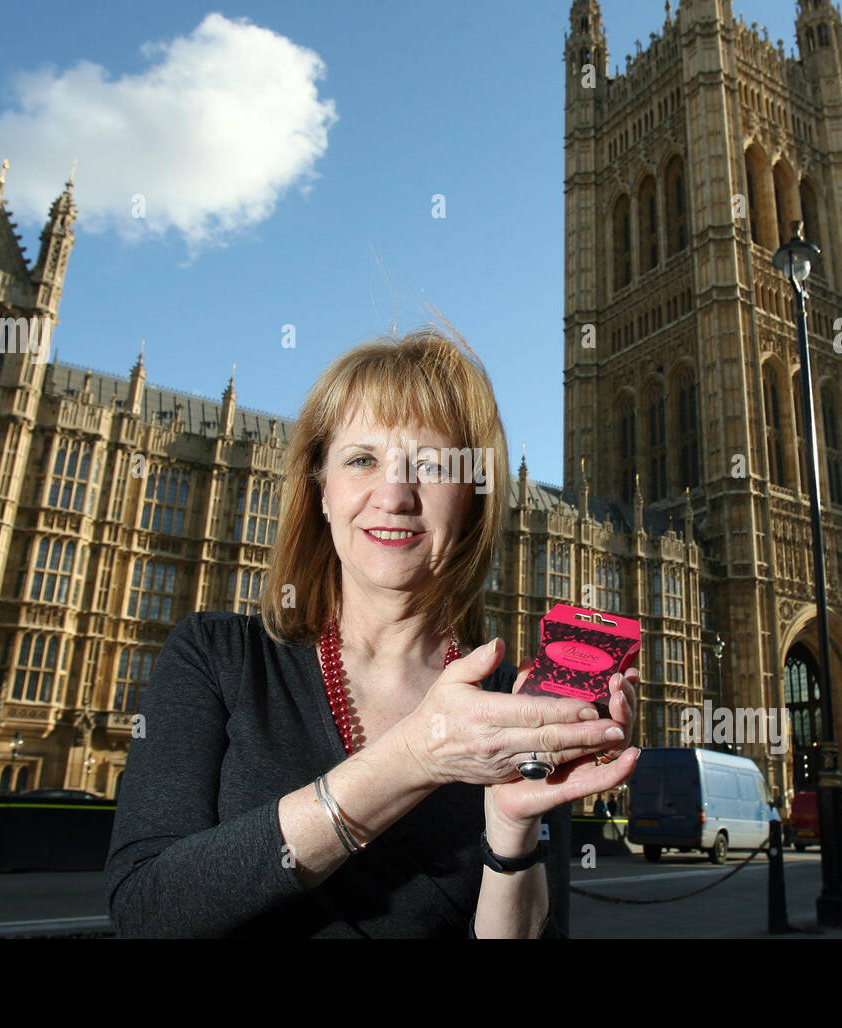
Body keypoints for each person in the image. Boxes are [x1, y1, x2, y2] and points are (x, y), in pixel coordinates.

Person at [105, 327, 640, 938]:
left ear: (473, 502)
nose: (394, 495)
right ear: (320, 489)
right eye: (362, 459)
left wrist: (512, 833)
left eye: (434, 466)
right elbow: (147, 912)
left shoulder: (516, 708)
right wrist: (415, 758)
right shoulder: (217, 657)